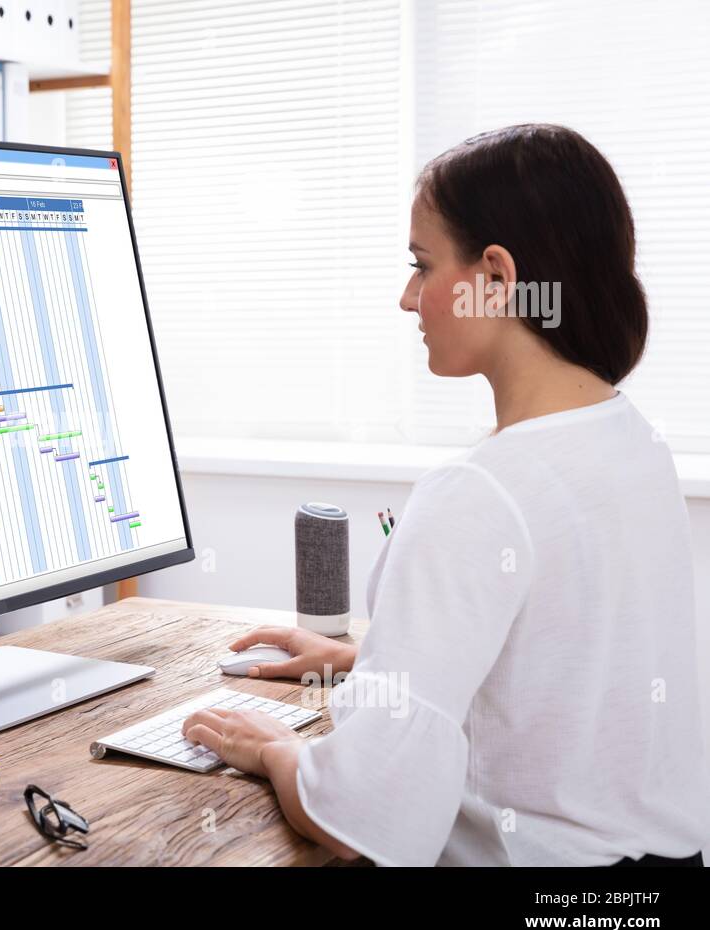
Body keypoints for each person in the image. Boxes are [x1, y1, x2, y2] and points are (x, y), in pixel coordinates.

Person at [183, 124, 710, 866]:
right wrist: (375, 659)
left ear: (495, 276)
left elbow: (366, 817)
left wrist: (274, 751)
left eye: (421, 265)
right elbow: (564, 661)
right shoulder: (631, 441)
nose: (407, 299)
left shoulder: (478, 492)